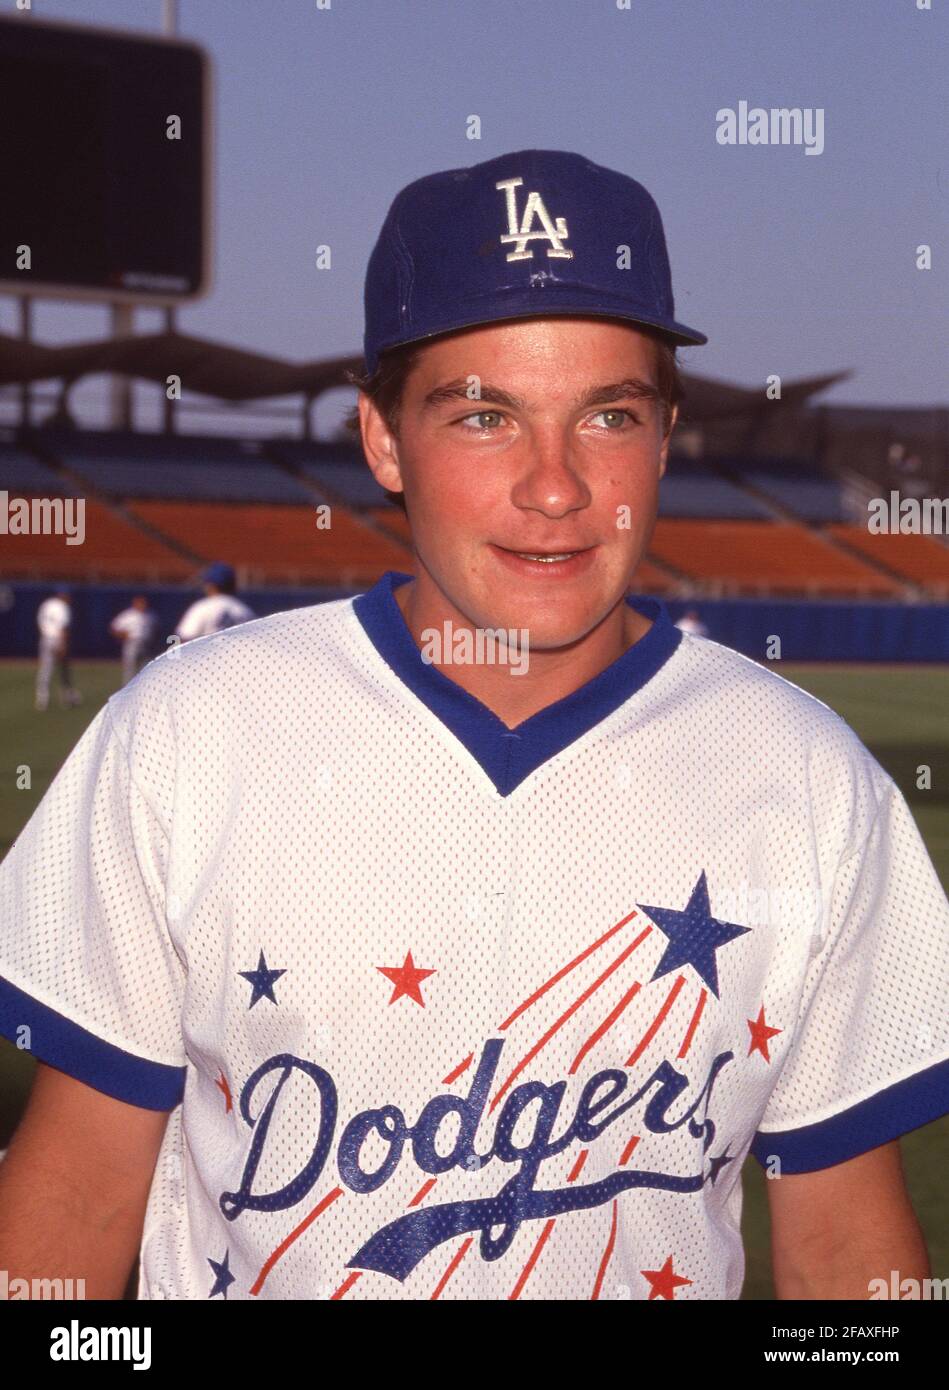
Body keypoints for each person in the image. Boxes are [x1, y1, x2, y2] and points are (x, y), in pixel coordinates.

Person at [0, 150, 946, 1302]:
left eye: (606, 414)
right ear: (383, 440)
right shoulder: (188, 733)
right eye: (485, 415)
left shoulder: (806, 778)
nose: (554, 485)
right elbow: (81, 1200)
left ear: (662, 439)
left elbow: (847, 1249)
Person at [174, 562, 255, 644]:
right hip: (238, 655)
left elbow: (184, 638)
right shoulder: (245, 611)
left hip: (207, 655)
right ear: (233, 585)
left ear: (210, 585)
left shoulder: (202, 607)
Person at [34, 585, 81, 711]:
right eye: (67, 595)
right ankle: (67, 698)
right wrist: (63, 644)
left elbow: (40, 622)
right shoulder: (63, 607)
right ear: (62, 595)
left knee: (45, 668)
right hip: (57, 639)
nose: (68, 597)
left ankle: (42, 699)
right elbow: (63, 628)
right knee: (64, 668)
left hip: (45, 638)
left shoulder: (47, 604)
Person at [109, 595, 158, 687]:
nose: (142, 605)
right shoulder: (128, 615)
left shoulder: (151, 615)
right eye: (140, 603)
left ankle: (143, 686)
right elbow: (114, 628)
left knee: (146, 666)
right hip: (132, 642)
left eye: (144, 603)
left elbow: (155, 628)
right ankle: (127, 687)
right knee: (130, 667)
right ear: (134, 603)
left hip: (145, 643)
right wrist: (123, 635)